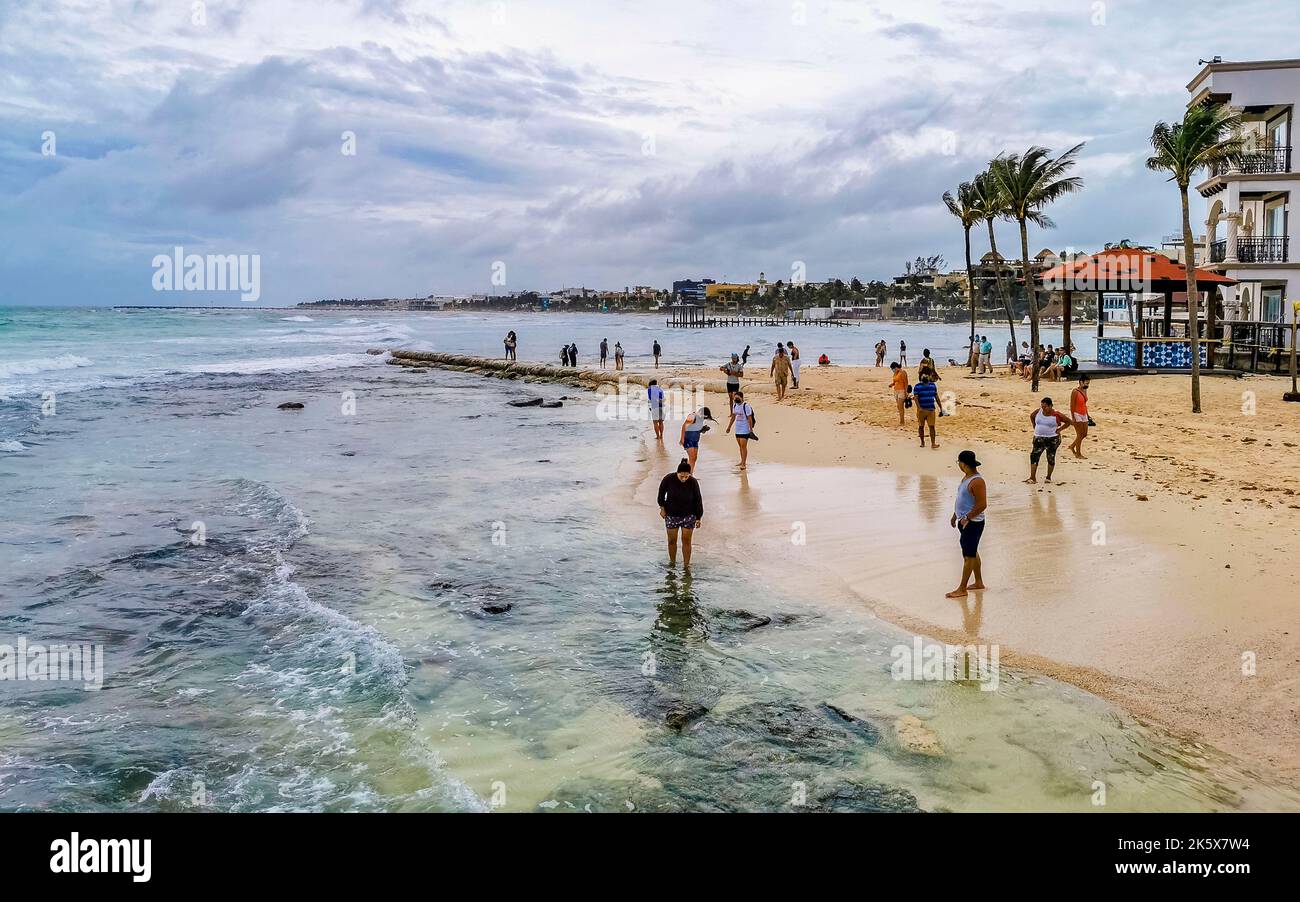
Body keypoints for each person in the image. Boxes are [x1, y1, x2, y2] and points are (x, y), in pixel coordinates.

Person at [946, 450, 987, 598]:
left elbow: (982, 504)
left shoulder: (977, 481)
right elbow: (962, 500)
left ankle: (962, 589)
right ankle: (978, 582)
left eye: (959, 463)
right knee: (972, 551)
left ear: (963, 464)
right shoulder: (966, 478)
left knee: (968, 556)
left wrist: (968, 518)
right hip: (964, 521)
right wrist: (955, 515)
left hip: (973, 523)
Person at [658, 459, 703, 567]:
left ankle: (686, 566)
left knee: (686, 541)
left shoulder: (693, 482)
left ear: (689, 474)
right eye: (681, 476)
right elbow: (661, 495)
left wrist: (698, 517)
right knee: (672, 541)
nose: (684, 479)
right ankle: (672, 563)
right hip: (671, 515)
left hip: (688, 516)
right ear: (677, 473)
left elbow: (698, 499)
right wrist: (662, 508)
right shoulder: (668, 479)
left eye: (686, 476)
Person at [1025, 397, 1070, 484]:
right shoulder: (1038, 412)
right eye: (1042, 406)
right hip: (1038, 438)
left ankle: (1048, 477)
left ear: (1051, 406)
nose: (1043, 409)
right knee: (1034, 456)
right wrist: (1034, 425)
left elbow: (1068, 421)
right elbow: (1031, 416)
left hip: (1052, 439)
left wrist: (1060, 429)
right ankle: (1032, 477)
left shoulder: (1056, 414)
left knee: (1050, 457)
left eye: (1045, 407)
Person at [726, 389, 756, 469]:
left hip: (745, 428)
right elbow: (733, 417)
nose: (736, 399)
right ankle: (742, 460)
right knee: (740, 446)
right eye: (735, 398)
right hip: (737, 428)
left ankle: (744, 463)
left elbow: (749, 418)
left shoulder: (746, 406)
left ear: (742, 398)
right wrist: (729, 427)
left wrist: (751, 429)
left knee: (743, 446)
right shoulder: (735, 405)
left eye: (737, 397)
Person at [679, 406, 715, 473]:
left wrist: (703, 429)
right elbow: (684, 426)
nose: (704, 418)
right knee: (692, 457)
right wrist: (682, 438)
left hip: (695, 440)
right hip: (688, 439)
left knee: (694, 458)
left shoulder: (701, 418)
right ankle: (687, 473)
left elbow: (696, 428)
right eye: (704, 417)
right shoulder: (692, 416)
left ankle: (690, 473)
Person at [911, 371, 940, 448]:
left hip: (931, 409)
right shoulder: (917, 386)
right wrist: (919, 408)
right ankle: (922, 442)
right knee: (921, 426)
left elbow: (936, 397)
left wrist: (940, 407)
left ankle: (933, 443)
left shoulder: (933, 385)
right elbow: (916, 398)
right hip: (922, 410)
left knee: (932, 426)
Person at [1068, 375, 1090, 458]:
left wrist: (1087, 414)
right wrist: (1073, 416)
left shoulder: (1085, 391)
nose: (1087, 385)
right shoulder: (1075, 392)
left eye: (1088, 383)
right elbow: (1072, 405)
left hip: (1084, 413)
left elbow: (1084, 404)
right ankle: (1078, 453)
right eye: (1086, 383)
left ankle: (1072, 446)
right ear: (1081, 382)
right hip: (1077, 414)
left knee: (1084, 434)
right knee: (1079, 434)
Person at [889, 362, 908, 426]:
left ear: (896, 367)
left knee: (901, 406)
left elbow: (906, 383)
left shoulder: (903, 372)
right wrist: (892, 384)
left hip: (902, 390)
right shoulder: (895, 373)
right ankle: (901, 419)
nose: (893, 370)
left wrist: (906, 392)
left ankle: (902, 421)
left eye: (893, 369)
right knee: (898, 406)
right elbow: (895, 381)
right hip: (896, 390)